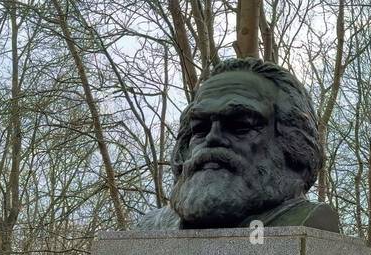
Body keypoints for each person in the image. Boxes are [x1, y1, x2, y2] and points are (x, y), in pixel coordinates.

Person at [136, 58, 339, 232]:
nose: (213, 138)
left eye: (240, 127)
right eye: (200, 128)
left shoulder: (304, 224)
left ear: (294, 144)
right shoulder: (151, 227)